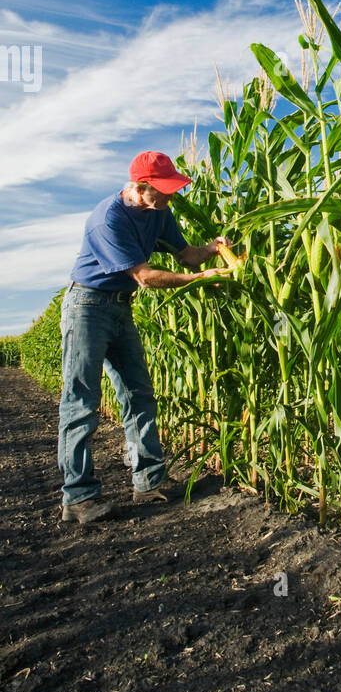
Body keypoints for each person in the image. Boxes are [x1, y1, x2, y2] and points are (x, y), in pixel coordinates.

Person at [58, 150, 227, 526]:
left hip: (120, 308)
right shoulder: (108, 219)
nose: (170, 197)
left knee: (138, 394)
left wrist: (214, 250)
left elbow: (186, 255)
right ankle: (79, 497)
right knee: (81, 399)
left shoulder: (159, 213)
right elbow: (145, 276)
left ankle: (150, 479)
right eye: (164, 191)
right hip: (87, 306)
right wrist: (198, 281)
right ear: (140, 186)